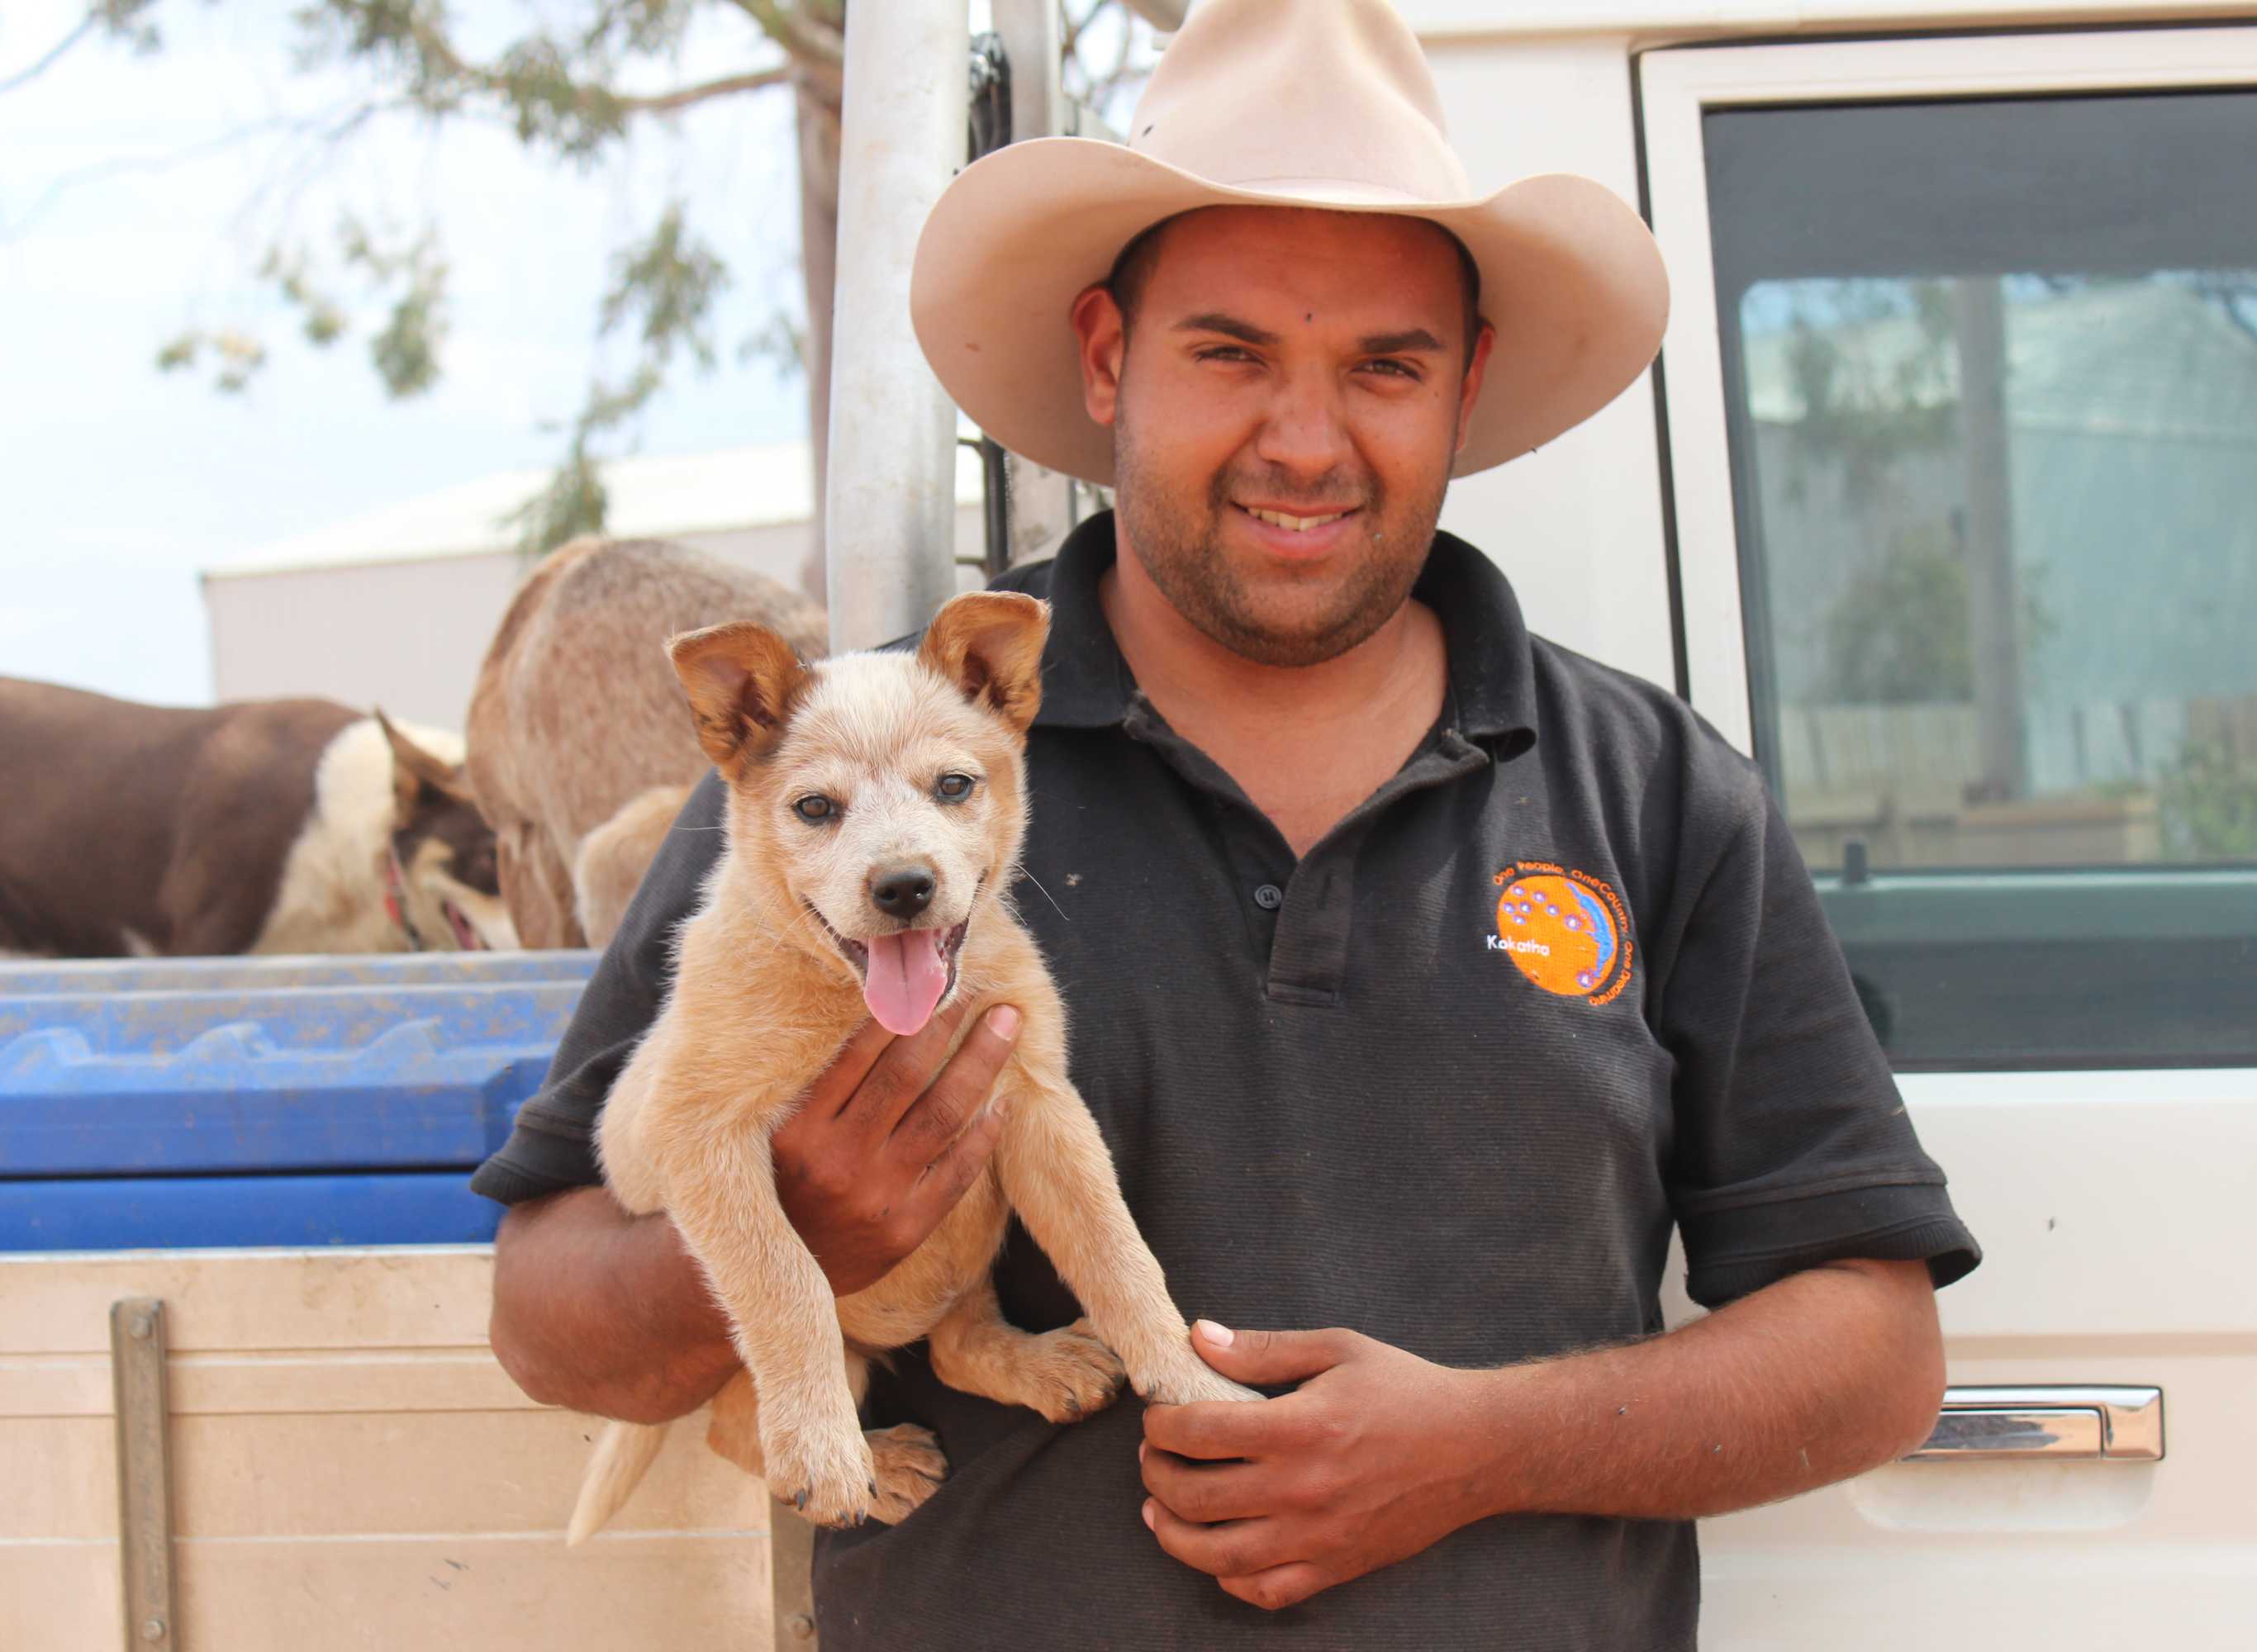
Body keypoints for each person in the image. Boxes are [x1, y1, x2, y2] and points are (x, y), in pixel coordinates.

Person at [473, 1, 1980, 1645]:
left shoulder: (1653, 789)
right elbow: (552, 1318)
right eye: (1232, 352)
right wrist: (798, 1219)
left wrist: (1485, 1448)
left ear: (1465, 383)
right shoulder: (865, 773)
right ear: (1110, 355)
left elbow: (1874, 1344)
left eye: (1385, 365)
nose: (1307, 440)